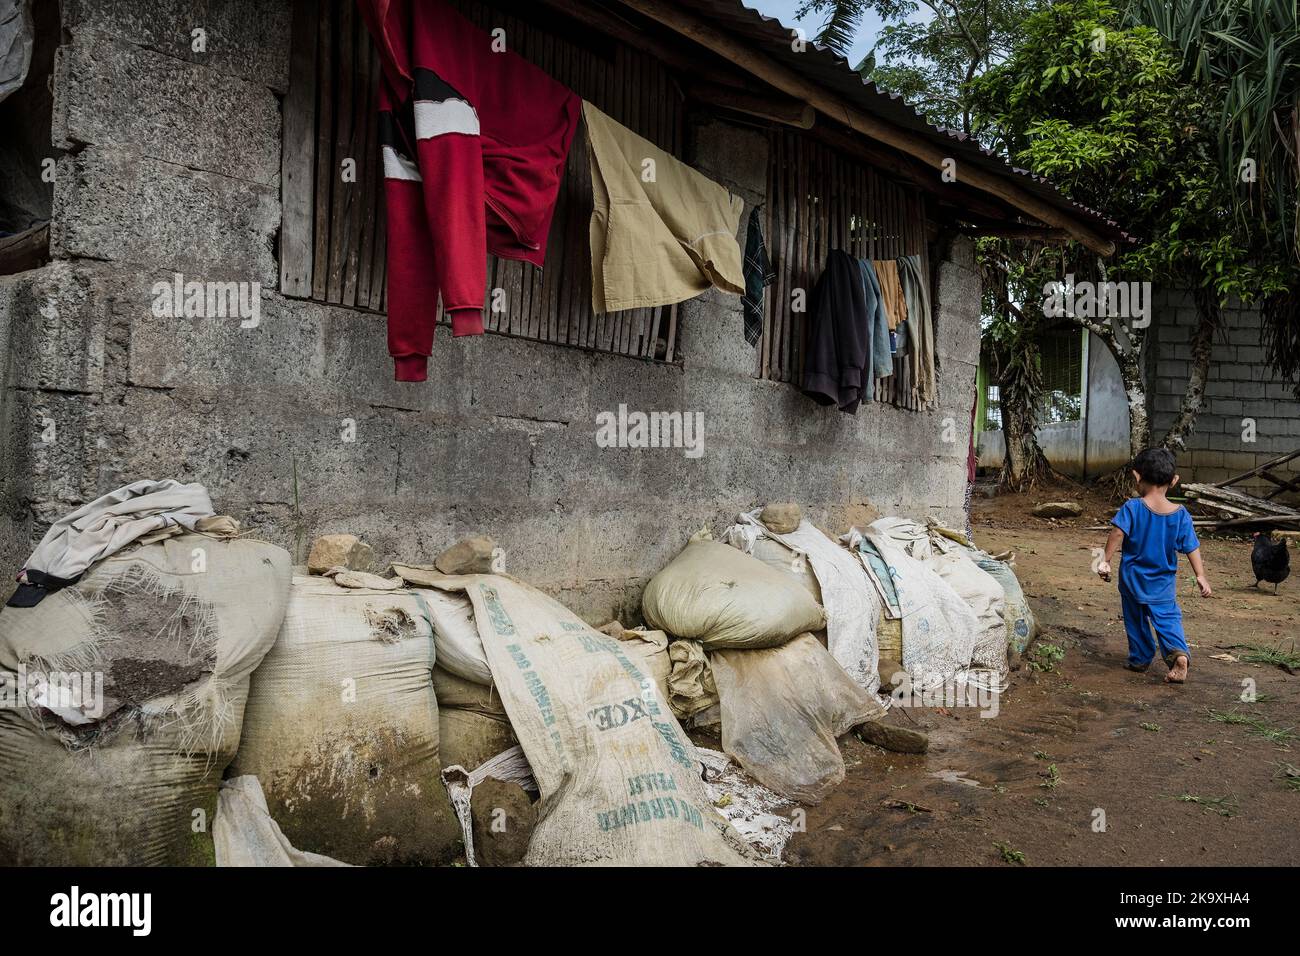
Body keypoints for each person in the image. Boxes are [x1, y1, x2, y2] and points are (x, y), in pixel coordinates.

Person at [1095, 448, 1211, 684]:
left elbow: (1118, 533)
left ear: (1137, 477)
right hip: (1163, 584)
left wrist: (1105, 560)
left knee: (1135, 619)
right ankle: (1178, 653)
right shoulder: (1181, 514)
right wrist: (1200, 575)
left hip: (1132, 580)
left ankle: (1139, 659)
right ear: (1174, 481)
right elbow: (1191, 546)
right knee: (1168, 618)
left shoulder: (1132, 508)